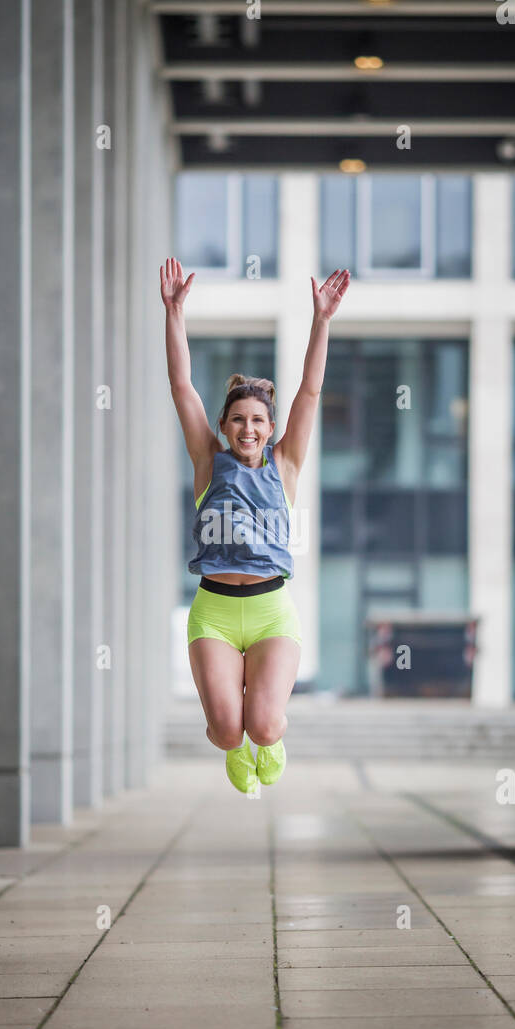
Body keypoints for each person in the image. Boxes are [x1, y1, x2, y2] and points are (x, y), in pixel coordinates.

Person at [160, 256, 350, 794]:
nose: (248, 428)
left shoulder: (285, 467)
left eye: (258, 420)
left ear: (270, 430)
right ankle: (237, 743)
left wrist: (322, 321)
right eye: (238, 419)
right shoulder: (207, 464)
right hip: (215, 612)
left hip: (270, 613)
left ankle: (268, 738)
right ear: (223, 426)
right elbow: (182, 388)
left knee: (263, 724)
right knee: (225, 732)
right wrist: (174, 312)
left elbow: (309, 392)